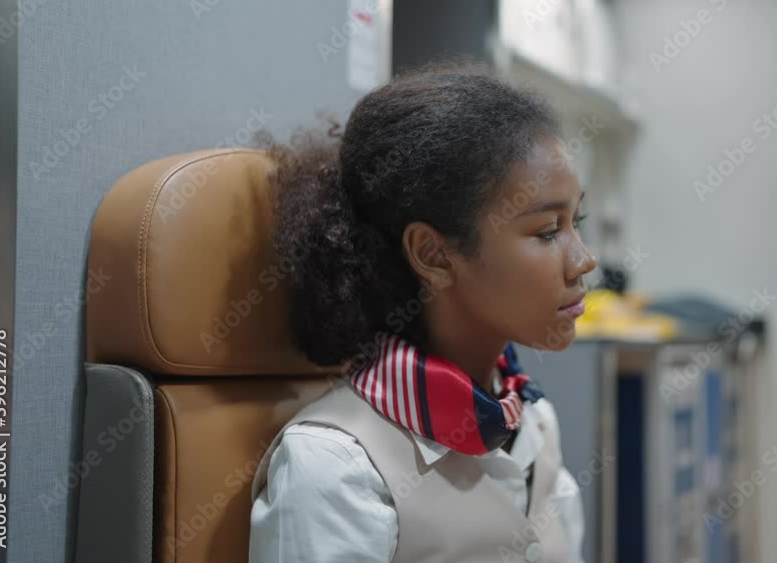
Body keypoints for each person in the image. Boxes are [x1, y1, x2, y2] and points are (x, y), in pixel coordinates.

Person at [248, 61, 598, 563]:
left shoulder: (536, 422)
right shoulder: (334, 467)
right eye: (547, 232)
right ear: (433, 255)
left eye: (576, 220)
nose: (584, 260)